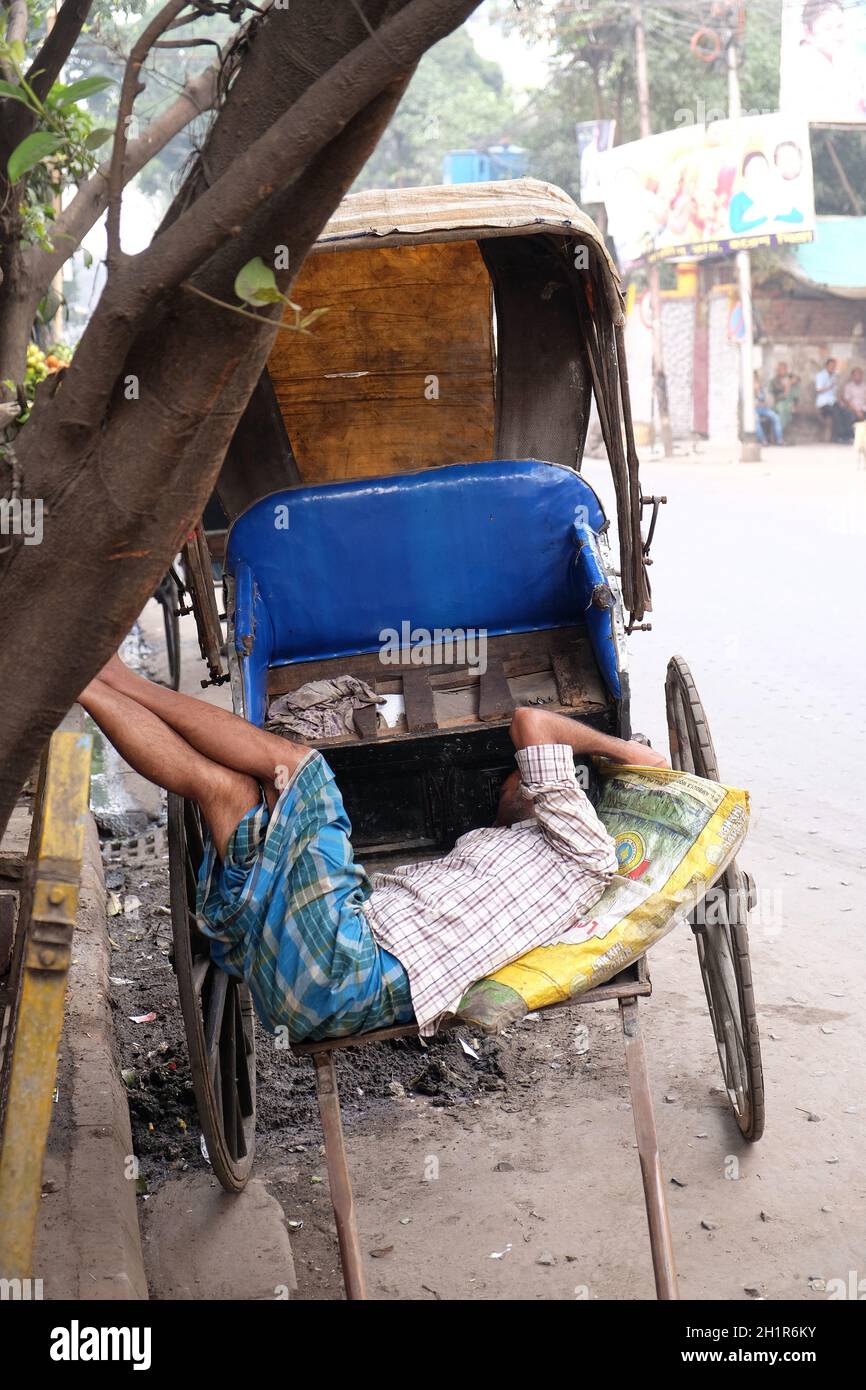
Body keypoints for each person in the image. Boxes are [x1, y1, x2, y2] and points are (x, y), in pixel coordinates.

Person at [80, 656, 668, 1042]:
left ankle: (126, 684)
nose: (515, 778)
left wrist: (629, 753)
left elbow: (531, 723)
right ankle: (84, 684)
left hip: (346, 968)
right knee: (226, 791)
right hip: (304, 980)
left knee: (300, 771)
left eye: (527, 779)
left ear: (557, 800)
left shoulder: (586, 852)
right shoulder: (511, 852)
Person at [815, 357, 853, 442]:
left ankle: (848, 436)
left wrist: (841, 402)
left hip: (833, 401)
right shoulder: (820, 375)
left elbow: (835, 393)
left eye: (834, 366)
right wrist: (829, 387)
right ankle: (838, 437)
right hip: (823, 403)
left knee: (846, 412)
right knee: (836, 413)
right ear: (826, 366)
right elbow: (818, 390)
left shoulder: (834, 377)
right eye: (831, 366)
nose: (833, 367)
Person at [768, 361, 800, 434]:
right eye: (780, 369)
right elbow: (778, 392)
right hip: (779, 401)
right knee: (782, 410)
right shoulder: (774, 381)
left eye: (784, 369)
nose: (782, 371)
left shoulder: (789, 377)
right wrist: (787, 386)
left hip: (789, 400)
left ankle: (794, 404)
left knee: (795, 387)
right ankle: (780, 433)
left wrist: (792, 381)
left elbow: (798, 378)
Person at [754, 371, 784, 445]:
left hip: (763, 409)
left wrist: (759, 393)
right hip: (754, 410)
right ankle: (763, 440)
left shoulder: (761, 389)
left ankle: (779, 440)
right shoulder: (748, 390)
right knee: (755, 420)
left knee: (776, 417)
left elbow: (766, 401)